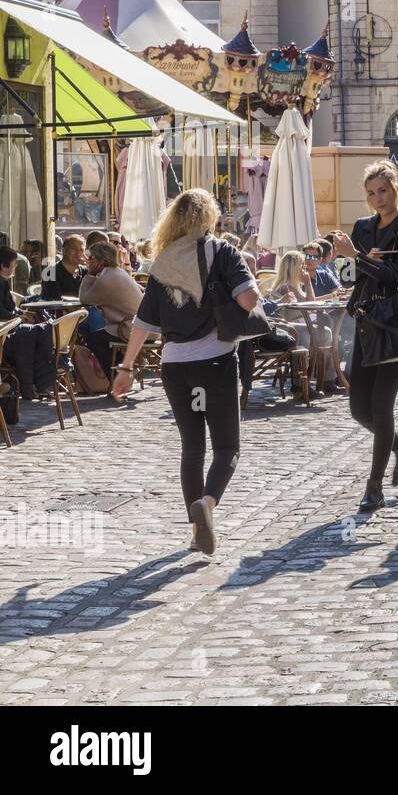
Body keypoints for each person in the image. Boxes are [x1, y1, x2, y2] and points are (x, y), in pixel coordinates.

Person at [112, 189, 260, 556]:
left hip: (175, 366)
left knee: (192, 448)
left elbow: (143, 322)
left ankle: (197, 533)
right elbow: (249, 300)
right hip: (215, 360)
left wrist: (126, 368)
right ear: (209, 217)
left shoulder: (162, 261)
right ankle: (207, 504)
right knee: (227, 447)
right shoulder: (222, 252)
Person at [330, 162, 398, 513]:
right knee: (359, 407)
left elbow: (396, 277)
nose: (377, 199)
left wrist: (358, 258)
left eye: (382, 190)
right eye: (371, 193)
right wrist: (352, 260)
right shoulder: (362, 227)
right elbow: (348, 276)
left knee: (382, 405)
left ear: (396, 188)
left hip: (396, 324)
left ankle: (374, 486)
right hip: (366, 320)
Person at [270, 249, 340, 395]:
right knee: (308, 337)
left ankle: (327, 380)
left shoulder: (295, 286)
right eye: (301, 266)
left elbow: (310, 304)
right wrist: (308, 283)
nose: (304, 269)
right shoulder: (286, 287)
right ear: (293, 268)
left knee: (326, 333)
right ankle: (300, 385)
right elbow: (307, 305)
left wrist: (307, 284)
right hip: (287, 327)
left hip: (300, 324)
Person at [79, 239, 143, 378]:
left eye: (91, 258)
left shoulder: (108, 277)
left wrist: (89, 274)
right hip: (137, 326)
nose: (88, 260)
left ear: (101, 261)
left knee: (93, 339)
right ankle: (123, 369)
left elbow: (84, 299)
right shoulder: (116, 272)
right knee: (97, 334)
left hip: (129, 329)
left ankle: (117, 377)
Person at [0, 247, 56, 399]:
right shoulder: (1, 283)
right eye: (13, 264)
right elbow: (1, 312)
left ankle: (35, 384)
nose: (16, 267)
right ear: (3, 266)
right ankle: (40, 383)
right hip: (4, 337)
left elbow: (9, 308)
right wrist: (19, 318)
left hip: (8, 331)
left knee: (32, 333)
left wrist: (21, 314)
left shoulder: (3, 282)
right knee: (33, 335)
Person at [41, 234, 87, 299]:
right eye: (74, 248)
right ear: (64, 250)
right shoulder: (50, 272)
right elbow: (54, 299)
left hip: (83, 308)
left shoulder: (86, 271)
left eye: (81, 250)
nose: (78, 253)